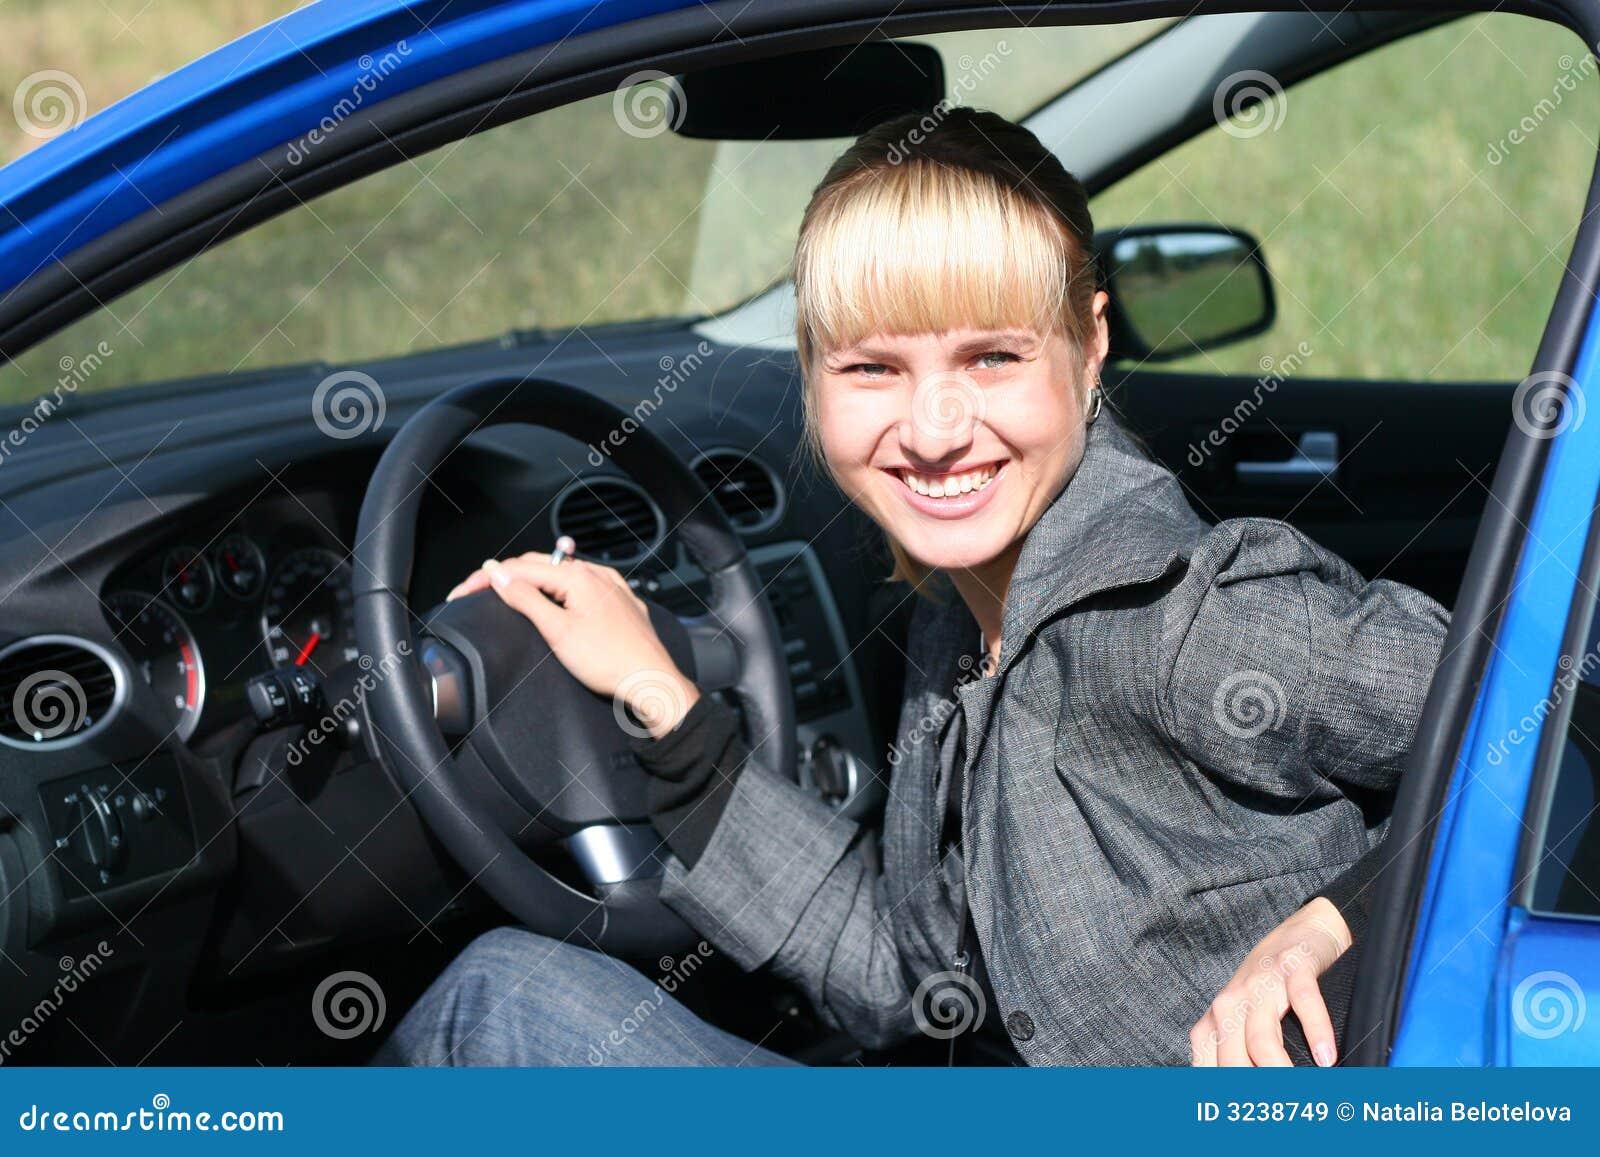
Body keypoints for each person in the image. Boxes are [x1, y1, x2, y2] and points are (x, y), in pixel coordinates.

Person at [372, 106, 1449, 1067]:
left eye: (991, 358)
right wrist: (668, 705)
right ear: (811, 377)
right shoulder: (957, 627)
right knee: (503, 983)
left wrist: (1340, 916)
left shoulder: (1186, 612)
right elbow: (906, 975)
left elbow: (1550, 722)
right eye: (873, 368)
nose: (933, 431)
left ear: (1088, 347)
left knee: (490, 1013)